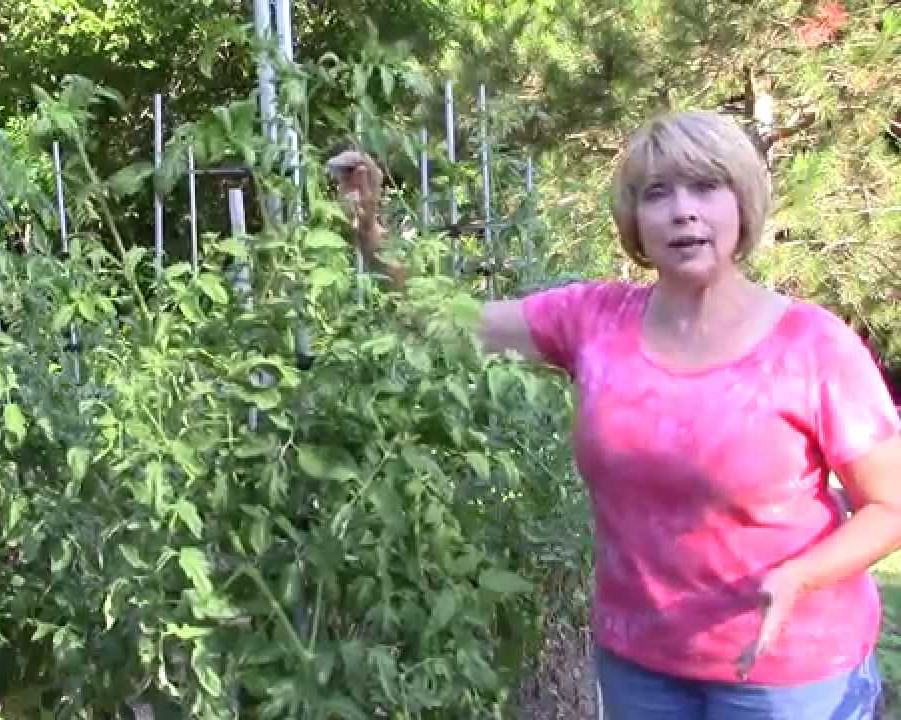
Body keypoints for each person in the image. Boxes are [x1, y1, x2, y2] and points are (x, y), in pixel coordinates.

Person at [332, 110, 901, 719]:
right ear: (635, 218)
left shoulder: (810, 345)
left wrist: (801, 576)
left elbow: (890, 505)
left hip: (783, 670)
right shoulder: (596, 320)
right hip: (640, 662)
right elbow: (449, 317)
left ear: (742, 204)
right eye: (659, 193)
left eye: (707, 187)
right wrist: (371, 233)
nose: (684, 210)